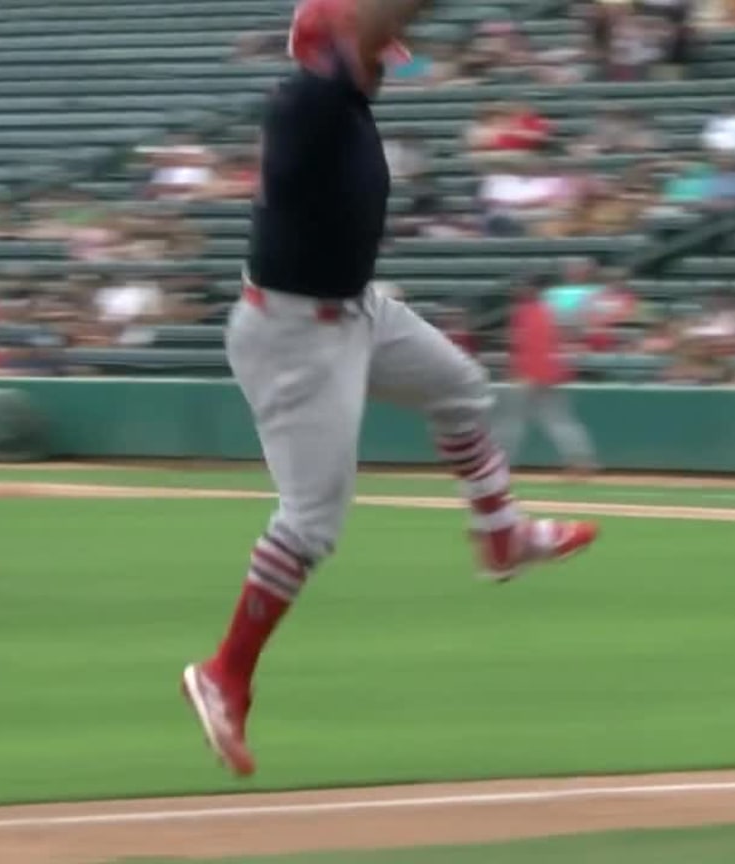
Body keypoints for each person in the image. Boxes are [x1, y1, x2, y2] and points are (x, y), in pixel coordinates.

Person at [180, 0, 600, 779]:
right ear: (333, 48)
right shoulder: (308, 101)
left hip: (354, 310)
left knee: (461, 389)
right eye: (378, 53)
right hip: (296, 334)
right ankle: (225, 672)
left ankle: (500, 536)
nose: (386, 65)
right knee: (311, 524)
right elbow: (363, 27)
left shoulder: (336, 106)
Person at [497, 276, 599, 475]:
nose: (517, 292)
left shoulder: (526, 312)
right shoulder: (546, 310)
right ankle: (581, 460)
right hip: (549, 374)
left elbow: (530, 346)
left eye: (522, 289)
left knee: (512, 420)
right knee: (558, 420)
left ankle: (499, 463)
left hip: (531, 375)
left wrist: (524, 374)